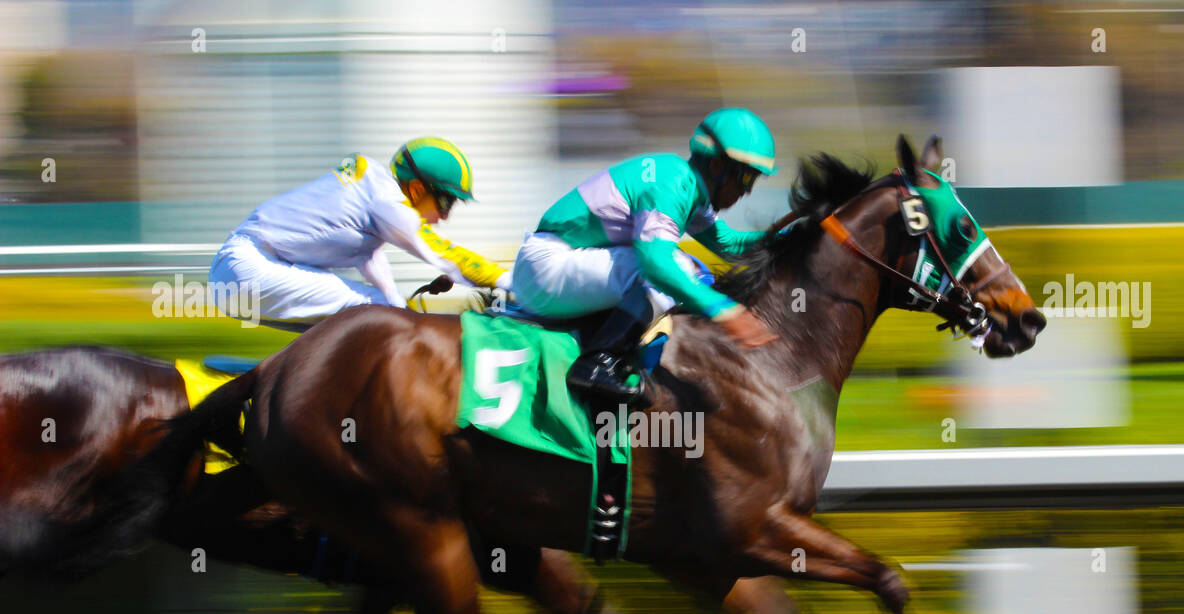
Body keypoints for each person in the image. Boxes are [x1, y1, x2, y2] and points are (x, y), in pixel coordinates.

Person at [510, 108, 781, 404]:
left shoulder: (687, 187)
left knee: (687, 267)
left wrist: (792, 235)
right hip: (546, 266)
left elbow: (729, 245)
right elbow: (656, 264)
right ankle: (597, 363)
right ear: (717, 166)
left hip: (556, 264)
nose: (747, 192)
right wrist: (722, 310)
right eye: (745, 180)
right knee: (678, 266)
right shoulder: (672, 184)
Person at [209, 137, 507, 324]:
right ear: (417, 189)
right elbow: (447, 258)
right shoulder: (389, 205)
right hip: (249, 267)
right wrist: (511, 281)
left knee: (366, 319)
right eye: (445, 202)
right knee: (376, 313)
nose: (444, 216)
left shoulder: (376, 194)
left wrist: (398, 303)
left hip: (243, 268)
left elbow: (369, 258)